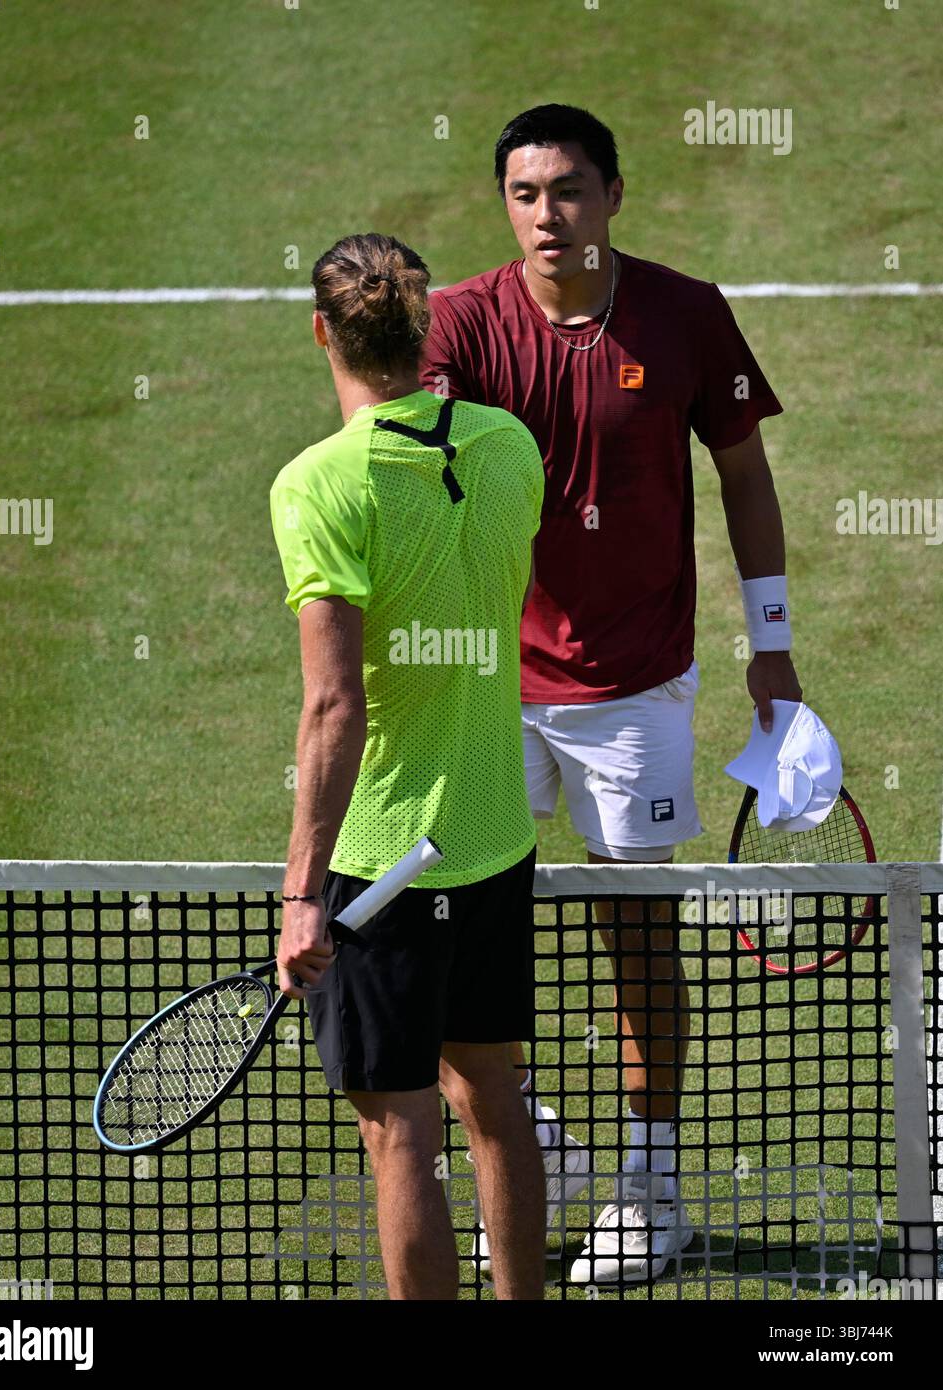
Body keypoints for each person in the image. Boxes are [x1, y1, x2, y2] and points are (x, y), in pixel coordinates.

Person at [419, 104, 803, 1284]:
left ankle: (649, 1180)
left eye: (570, 190)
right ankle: (526, 1145)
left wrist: (771, 645)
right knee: (442, 930)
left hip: (631, 680)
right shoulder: (458, 324)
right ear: (505, 206)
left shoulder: (685, 312)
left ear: (613, 195)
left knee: (634, 934)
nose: (549, 214)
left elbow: (741, 473)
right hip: (482, 678)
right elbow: (394, 452)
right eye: (526, 194)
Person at [270, 232, 549, 1300]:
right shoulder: (508, 447)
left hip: (380, 864)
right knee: (493, 1096)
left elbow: (333, 704)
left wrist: (303, 892)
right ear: (422, 327)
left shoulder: (317, 485)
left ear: (322, 332)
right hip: (491, 837)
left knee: (399, 1134)